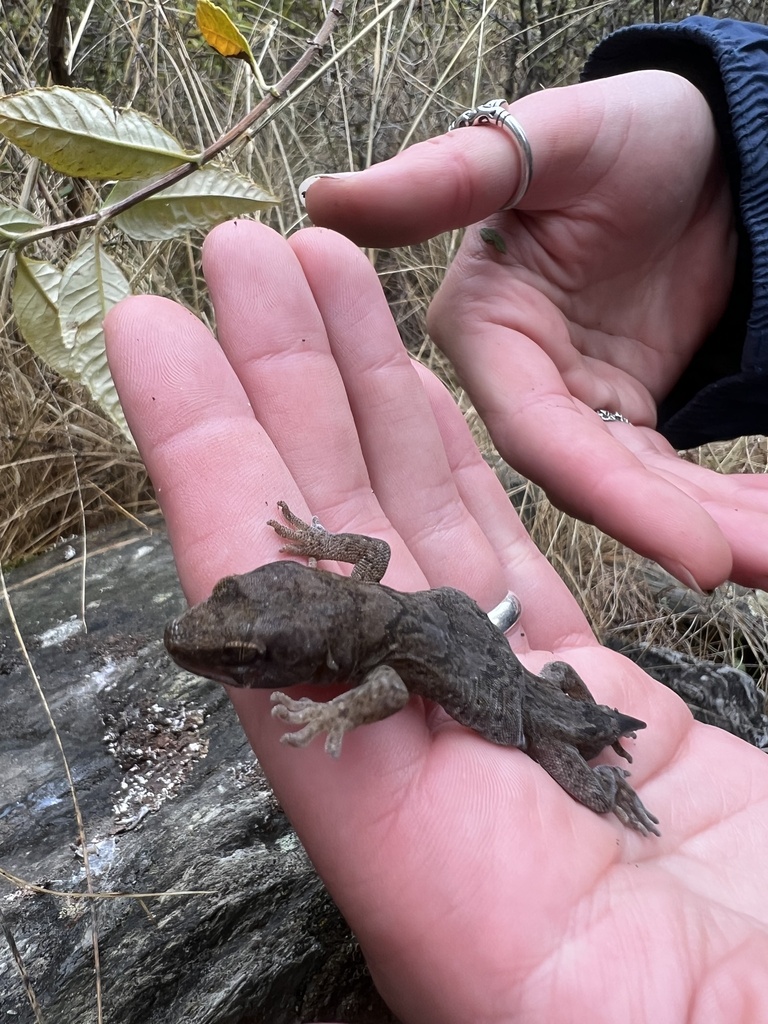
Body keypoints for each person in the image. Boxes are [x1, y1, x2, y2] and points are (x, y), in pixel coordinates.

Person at [104, 15, 768, 1023]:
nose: (235, 652)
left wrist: (331, 704)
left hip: (518, 702)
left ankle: (617, 772)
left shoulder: (371, 647)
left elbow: (374, 676)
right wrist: (323, 554)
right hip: (470, 638)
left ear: (308, 641)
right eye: (246, 633)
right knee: (557, 689)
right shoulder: (362, 606)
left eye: (249, 654)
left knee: (571, 736)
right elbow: (368, 583)